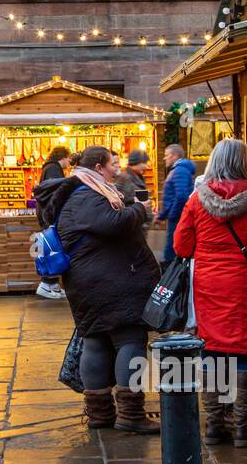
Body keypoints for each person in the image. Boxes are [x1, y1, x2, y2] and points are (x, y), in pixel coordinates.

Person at [173, 138, 247, 447]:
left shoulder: (197, 201)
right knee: (243, 351)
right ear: (244, 162)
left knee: (212, 350)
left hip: (209, 286)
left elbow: (181, 246)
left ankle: (215, 424)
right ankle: (242, 426)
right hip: (244, 285)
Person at [34, 146, 161, 433]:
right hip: (109, 283)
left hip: (90, 281)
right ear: (100, 166)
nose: (117, 169)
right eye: (113, 164)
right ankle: (130, 414)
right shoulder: (85, 193)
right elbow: (111, 223)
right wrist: (140, 210)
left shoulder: (80, 192)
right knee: (129, 339)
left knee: (97, 340)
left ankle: (100, 414)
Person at [35, 146, 71, 300]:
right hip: (49, 215)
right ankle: (46, 284)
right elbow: (55, 193)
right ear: (62, 157)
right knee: (52, 248)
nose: (69, 162)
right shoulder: (54, 169)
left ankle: (53, 285)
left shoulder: (49, 168)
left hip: (46, 214)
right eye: (68, 159)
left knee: (51, 247)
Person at [156, 143, 197, 265]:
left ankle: (171, 280)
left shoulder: (180, 171)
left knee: (172, 249)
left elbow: (181, 196)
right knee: (172, 248)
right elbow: (173, 197)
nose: (164, 158)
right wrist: (162, 215)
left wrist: (171, 215)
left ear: (174, 156)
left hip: (177, 218)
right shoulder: (180, 170)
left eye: (166, 155)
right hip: (176, 217)